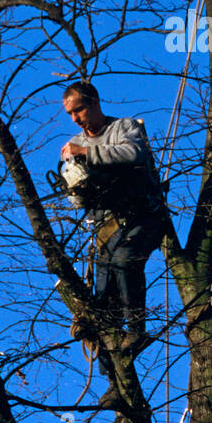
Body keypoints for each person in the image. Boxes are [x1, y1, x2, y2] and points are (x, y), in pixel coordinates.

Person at [59, 81, 169, 351]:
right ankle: (113, 380)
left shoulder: (124, 127)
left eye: (80, 110)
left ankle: (137, 329)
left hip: (143, 215)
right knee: (104, 294)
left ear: (95, 102)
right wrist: (74, 181)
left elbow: (134, 152)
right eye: (70, 114)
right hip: (107, 226)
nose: (75, 119)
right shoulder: (74, 143)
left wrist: (86, 153)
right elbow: (76, 202)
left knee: (124, 262)